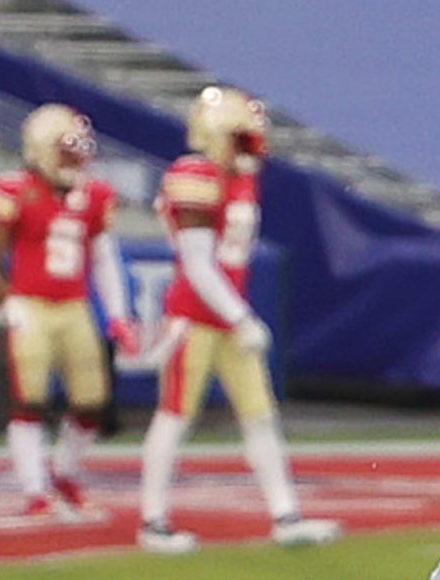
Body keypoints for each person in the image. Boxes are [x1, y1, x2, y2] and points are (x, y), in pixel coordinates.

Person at [133, 83, 340, 551]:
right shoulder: (194, 175)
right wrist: (241, 317)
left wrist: (237, 319)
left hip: (228, 319)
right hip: (193, 317)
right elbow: (197, 264)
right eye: (242, 139)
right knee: (174, 416)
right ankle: (152, 522)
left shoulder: (242, 179)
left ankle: (285, 516)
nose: (252, 150)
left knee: (260, 416)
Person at [0, 100, 130, 522]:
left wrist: (118, 314)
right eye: (66, 151)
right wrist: (5, 301)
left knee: (92, 402)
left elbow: (103, 258)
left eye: (78, 150)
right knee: (28, 401)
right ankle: (35, 491)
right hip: (30, 305)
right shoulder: (18, 190)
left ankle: (64, 473)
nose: (76, 159)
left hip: (74, 306)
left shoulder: (95, 195)